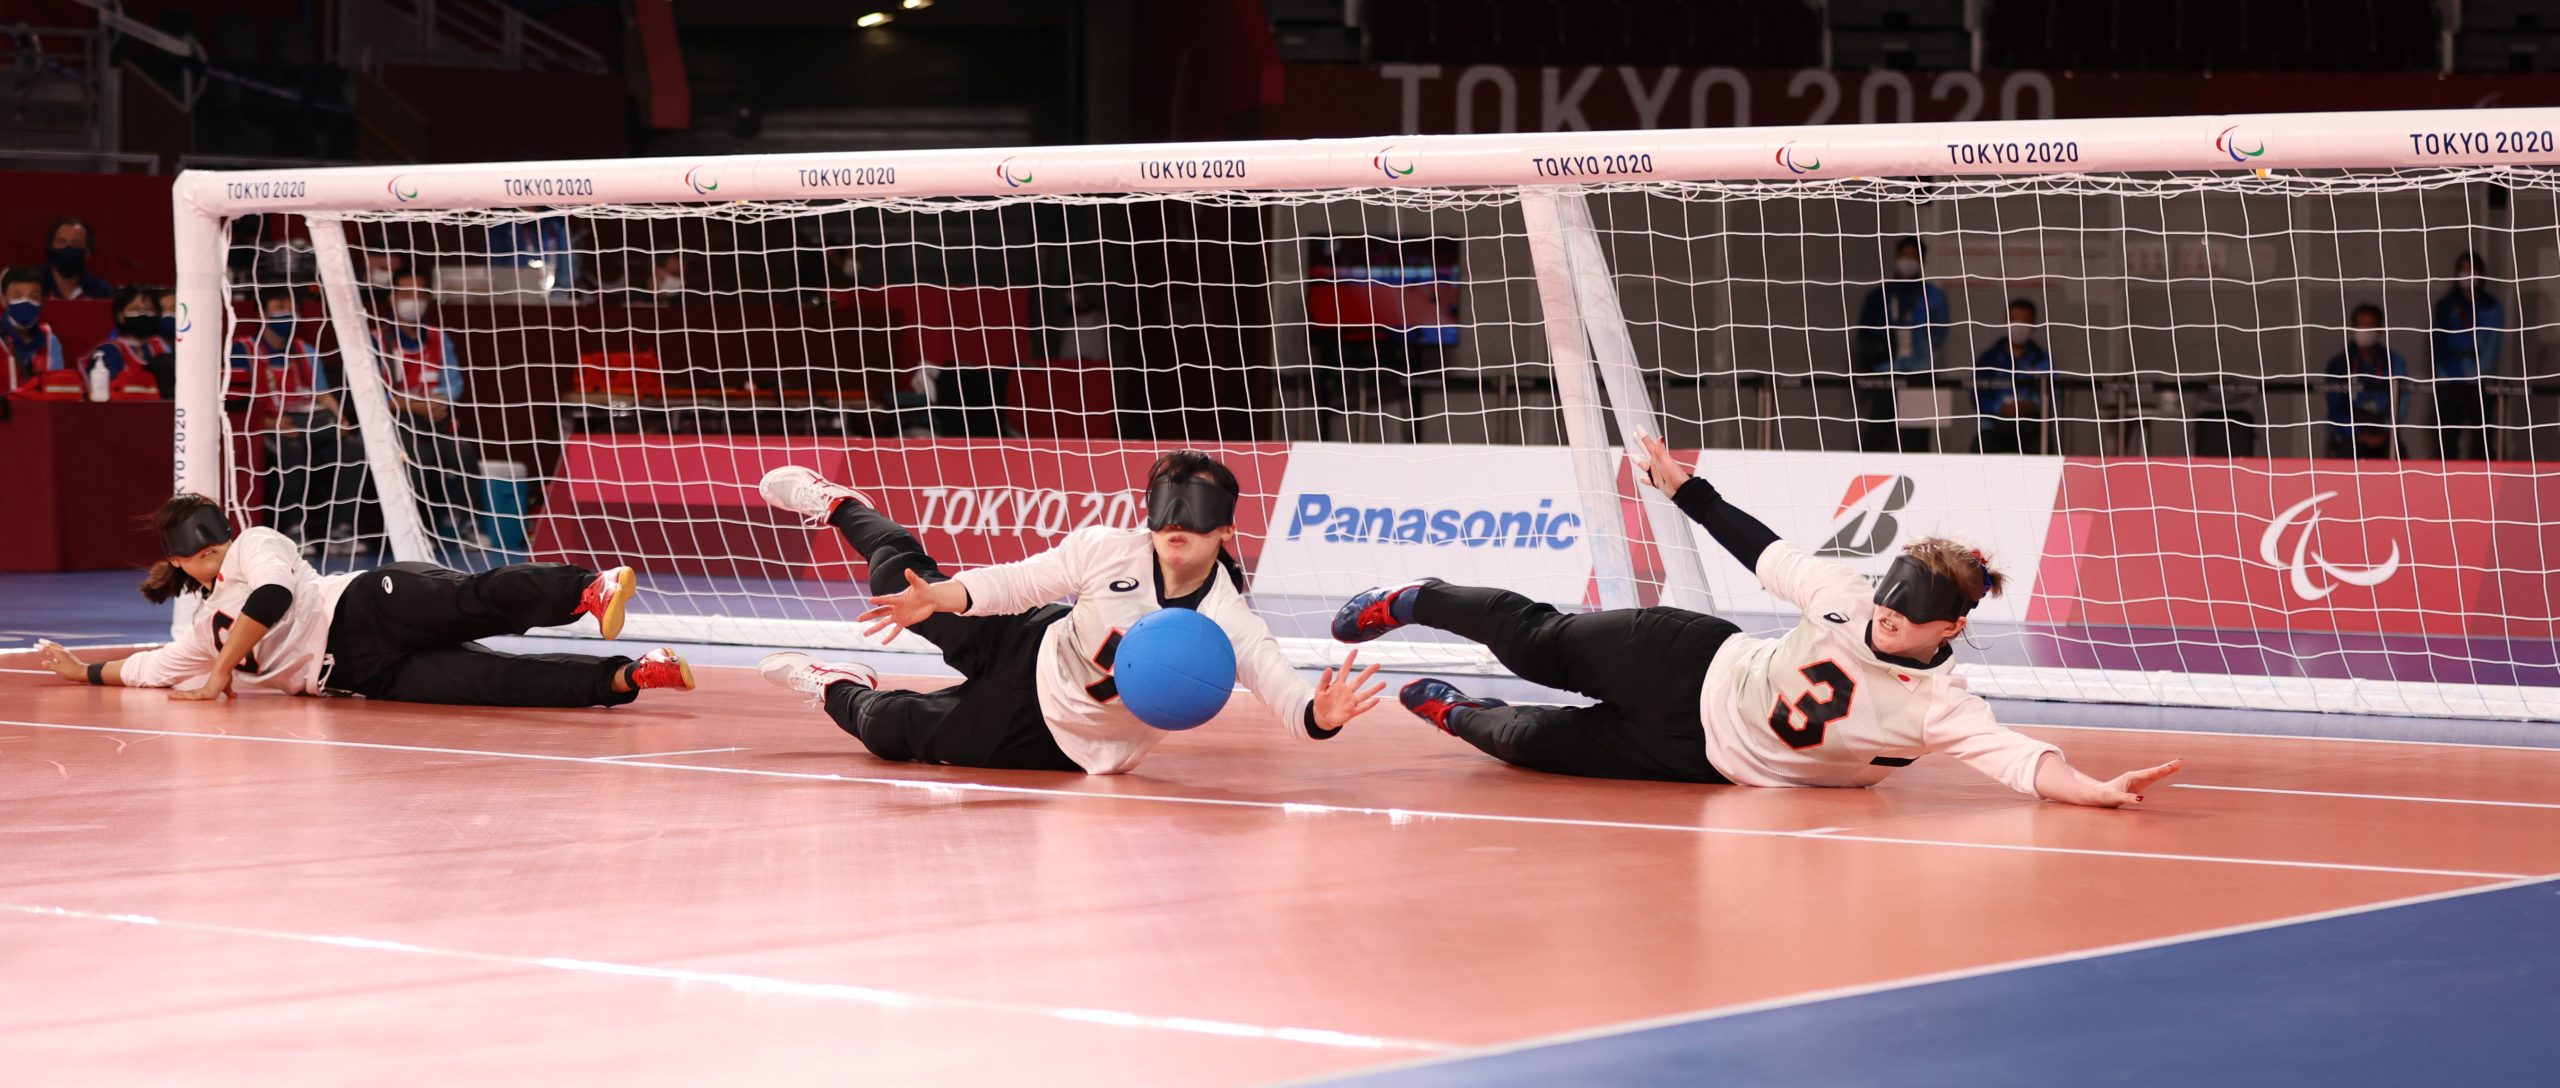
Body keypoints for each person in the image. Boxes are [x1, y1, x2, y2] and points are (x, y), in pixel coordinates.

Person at [1329, 433, 2181, 808]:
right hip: (1689, 664)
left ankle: (1452, 712)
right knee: (1538, 644)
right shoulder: (1845, 594)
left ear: (1949, 629)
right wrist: (1683, 489)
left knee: (1531, 745)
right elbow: (1762, 549)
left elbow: (2023, 764)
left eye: (1909, 614)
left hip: (1703, 759)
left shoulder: (1942, 708)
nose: (1886, 617)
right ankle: (1412, 599)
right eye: (1888, 599)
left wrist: (2095, 790)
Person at [754, 451, 1384, 773]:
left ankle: (836, 684)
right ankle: (839, 505)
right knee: (901, 579)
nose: (1174, 528)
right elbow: (1021, 582)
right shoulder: (1107, 549)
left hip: (1061, 736)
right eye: (1165, 512)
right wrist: (941, 598)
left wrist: (1318, 715)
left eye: (1192, 519)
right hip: (1034, 645)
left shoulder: (1226, 619)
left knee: (891, 732)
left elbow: (1282, 693)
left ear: (1224, 530)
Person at [34, 493, 694, 704]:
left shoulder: (257, 546)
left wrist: (218, 673)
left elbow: (271, 596)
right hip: (363, 672)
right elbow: (150, 667)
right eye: (199, 554)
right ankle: (631, 673)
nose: (211, 556)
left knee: (471, 598)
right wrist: (87, 671)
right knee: (492, 680)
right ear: (181, 562)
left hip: (369, 601)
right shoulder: (204, 625)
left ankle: (588, 587)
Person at [230, 286, 357, 547]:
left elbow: (322, 394)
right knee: (292, 451)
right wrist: (269, 423)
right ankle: (291, 531)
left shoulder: (305, 350)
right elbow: (235, 403)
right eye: (279, 306)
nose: (287, 313)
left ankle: (341, 530)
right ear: (262, 313)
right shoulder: (243, 349)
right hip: (266, 428)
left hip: (307, 424)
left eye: (292, 308)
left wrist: (340, 418)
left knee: (352, 449)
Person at [371, 271, 487, 544]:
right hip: (396, 425)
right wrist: (416, 405)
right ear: (393, 298)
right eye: (407, 293)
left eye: (420, 293)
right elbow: (375, 395)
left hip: (434, 422)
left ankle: (467, 523)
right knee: (416, 459)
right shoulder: (378, 340)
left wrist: (439, 400)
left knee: (463, 452)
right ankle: (417, 530)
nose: (414, 300)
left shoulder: (438, 337)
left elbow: (454, 383)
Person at [1852, 236, 1952, 452]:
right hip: (1885, 372)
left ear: (1922, 260)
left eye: (1913, 256)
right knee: (1877, 434)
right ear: (1896, 258)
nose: (1908, 260)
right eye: (1904, 255)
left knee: (1918, 438)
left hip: (1920, 373)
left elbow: (1940, 333)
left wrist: (1921, 352)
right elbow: (1865, 331)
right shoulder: (1880, 295)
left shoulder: (1934, 296)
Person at [2430, 251, 2507, 461]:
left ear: (2481, 274)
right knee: (2447, 437)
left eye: (2472, 269)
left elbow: (2491, 345)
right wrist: (2455, 372)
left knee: (2482, 437)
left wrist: (2476, 375)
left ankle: (2484, 481)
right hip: (2449, 379)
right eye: (2463, 269)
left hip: (2480, 382)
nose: (2467, 274)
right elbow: (2440, 344)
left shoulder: (2492, 307)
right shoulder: (2445, 306)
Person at [56, 284, 171, 399]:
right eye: (136, 310)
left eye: (149, 310)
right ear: (120, 315)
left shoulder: (161, 346)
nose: (143, 315)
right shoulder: (109, 352)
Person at [2325, 303, 2409, 460]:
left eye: (2370, 326)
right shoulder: (2338, 364)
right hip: (2350, 433)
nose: (2365, 331)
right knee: (2343, 449)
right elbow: (2335, 409)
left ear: (2380, 329)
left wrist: (2385, 430)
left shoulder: (2394, 361)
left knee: (2399, 452)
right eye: (2360, 325)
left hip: (2383, 430)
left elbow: (2401, 405)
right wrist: (2357, 433)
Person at [1973, 298, 2055, 454]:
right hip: (1993, 429)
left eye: (2024, 321)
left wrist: (2028, 407)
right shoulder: (1988, 359)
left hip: (2031, 429)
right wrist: (2000, 408)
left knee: (2042, 447)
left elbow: (2052, 395)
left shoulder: (2043, 360)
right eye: (2014, 320)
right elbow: (1977, 395)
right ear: (2006, 322)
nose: (2019, 327)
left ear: (2034, 324)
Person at [2, 266, 67, 393]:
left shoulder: (50, 341)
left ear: (43, 301)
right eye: (17, 296)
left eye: (33, 296)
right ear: (4, 300)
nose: (25, 302)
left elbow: (59, 394)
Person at [38, 216, 113, 301]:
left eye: (76, 244)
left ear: (88, 252)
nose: (67, 248)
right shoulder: (32, 285)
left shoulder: (100, 291)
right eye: (61, 242)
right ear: (50, 247)